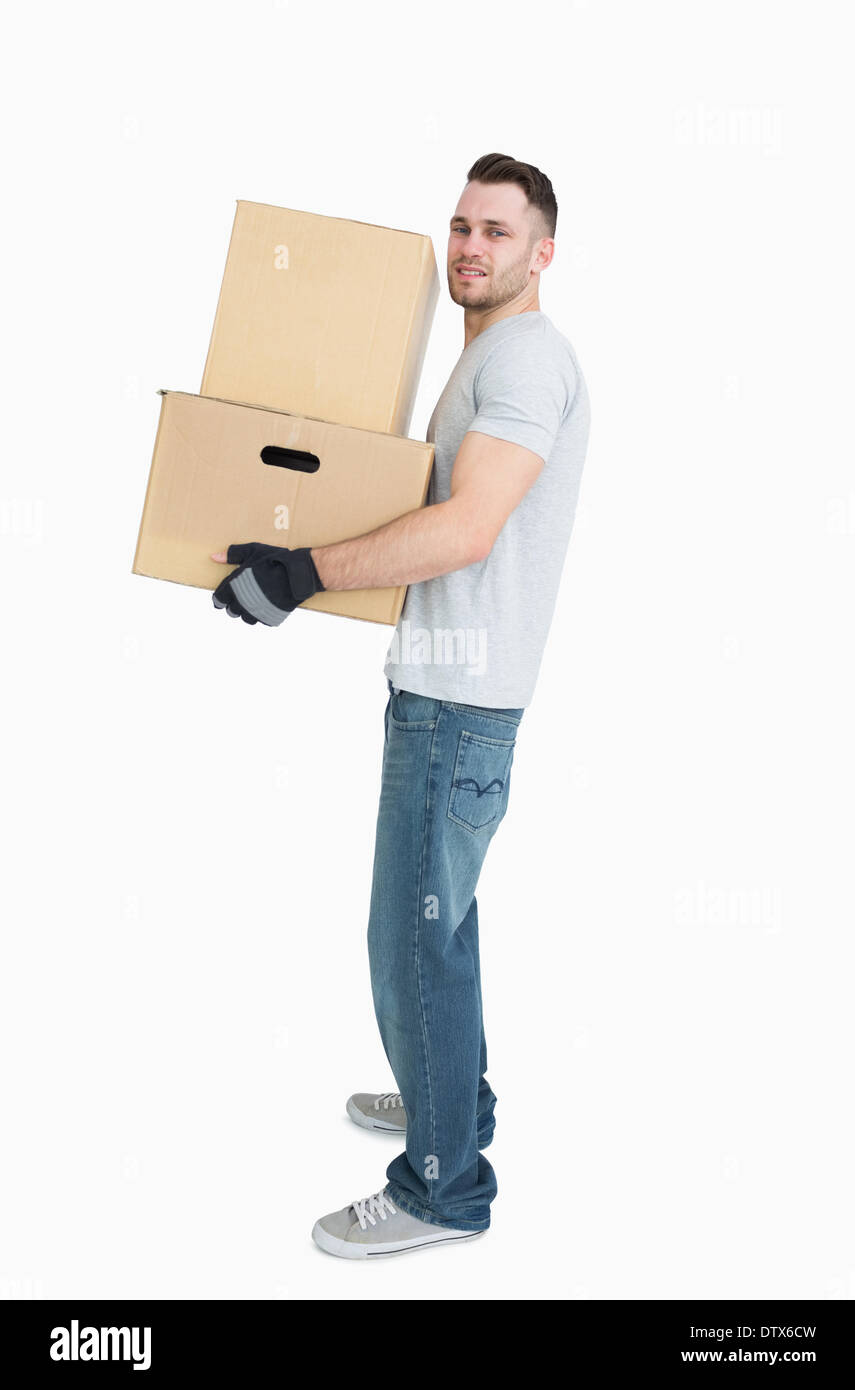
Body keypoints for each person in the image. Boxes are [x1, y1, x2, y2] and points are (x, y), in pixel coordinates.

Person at [210, 152, 591, 1259]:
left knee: (412, 944)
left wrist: (302, 571)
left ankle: (440, 1185)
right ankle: (449, 1105)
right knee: (437, 930)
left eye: (498, 231)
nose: (471, 245)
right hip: (442, 691)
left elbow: (466, 528)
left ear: (542, 251)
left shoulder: (525, 361)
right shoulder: (484, 355)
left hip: (460, 703)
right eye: (461, 225)